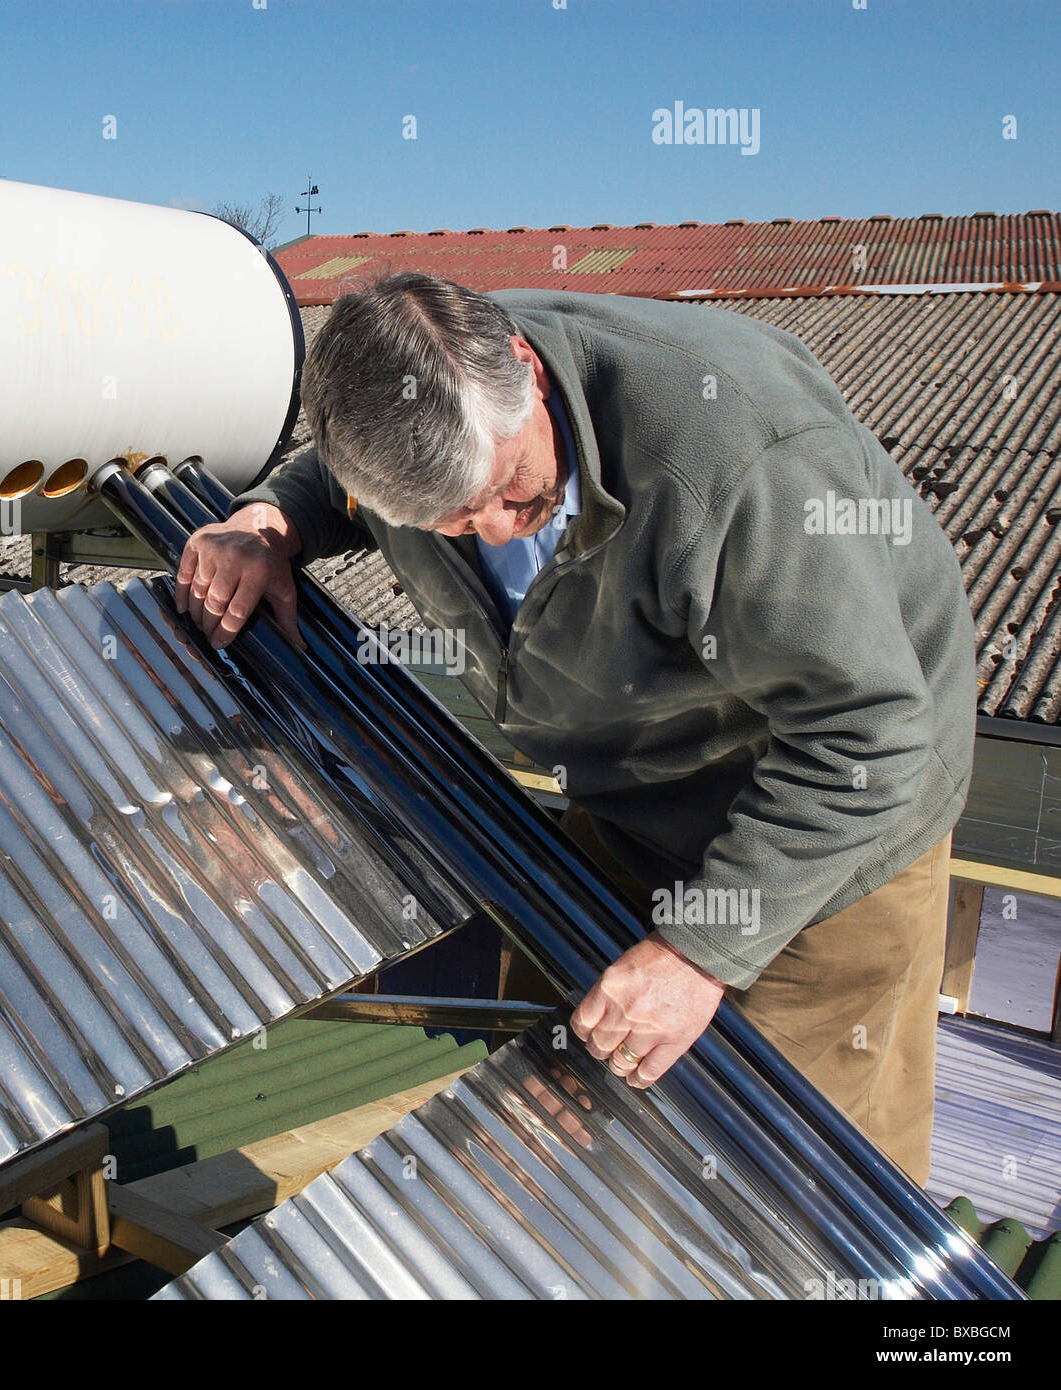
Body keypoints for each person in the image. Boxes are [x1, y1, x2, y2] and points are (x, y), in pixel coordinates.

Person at [174, 271, 976, 1186]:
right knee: (623, 1149)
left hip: (829, 845)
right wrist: (265, 521)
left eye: (510, 493)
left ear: (527, 368)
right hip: (631, 791)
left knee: (797, 1182)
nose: (491, 531)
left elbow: (869, 731)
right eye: (445, 523)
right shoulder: (423, 423)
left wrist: (695, 956)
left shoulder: (738, 459)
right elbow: (330, 479)